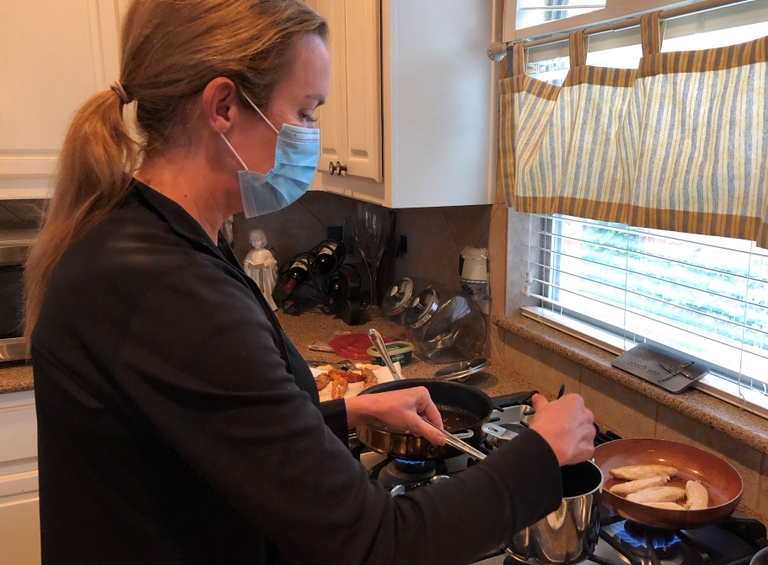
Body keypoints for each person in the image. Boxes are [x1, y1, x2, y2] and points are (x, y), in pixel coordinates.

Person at [23, 1, 597, 564]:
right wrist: (540, 456)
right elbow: (377, 544)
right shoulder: (169, 289)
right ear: (223, 106)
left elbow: (208, 435)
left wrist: (349, 416)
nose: (312, 136)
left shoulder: (148, 236)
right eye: (305, 112)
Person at [244, 228, 279, 310]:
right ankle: (258, 306)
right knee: (256, 290)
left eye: (257, 240)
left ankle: (268, 305)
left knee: (265, 290)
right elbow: (246, 263)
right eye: (253, 241)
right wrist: (249, 265)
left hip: (265, 276)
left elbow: (273, 262)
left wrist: (266, 264)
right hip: (255, 276)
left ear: (263, 240)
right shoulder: (251, 253)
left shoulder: (266, 252)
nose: (255, 243)